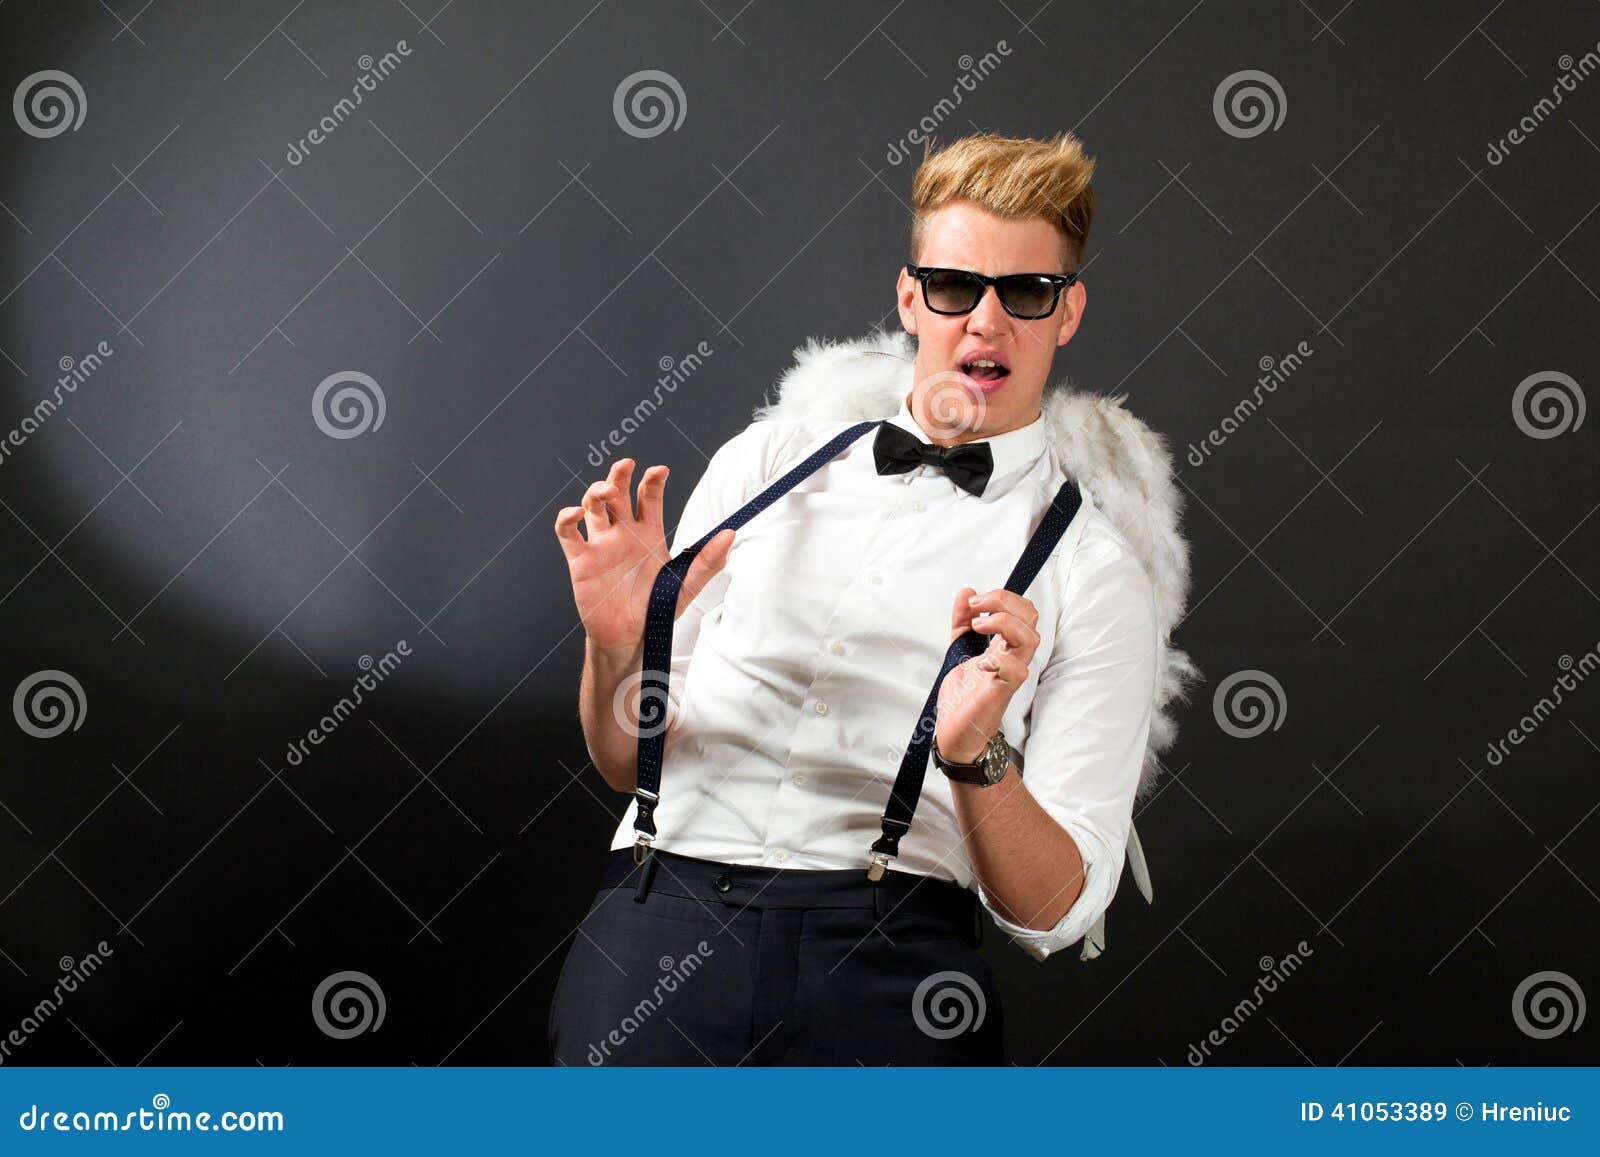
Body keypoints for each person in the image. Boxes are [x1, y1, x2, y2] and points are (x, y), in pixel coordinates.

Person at [548, 131, 1195, 1066]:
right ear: (908, 297)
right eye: (955, 286)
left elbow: (1056, 911)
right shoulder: (763, 464)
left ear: (1068, 312)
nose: (987, 321)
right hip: (653, 934)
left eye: (1026, 292)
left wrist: (976, 757)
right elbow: (621, 760)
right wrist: (618, 646)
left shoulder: (1094, 570)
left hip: (890, 977)